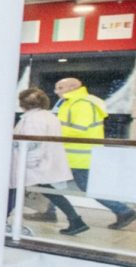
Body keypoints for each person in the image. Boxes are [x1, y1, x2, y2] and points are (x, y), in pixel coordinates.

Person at [53, 77, 136, 230]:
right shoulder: (73, 102)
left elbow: (79, 130)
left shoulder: (82, 104)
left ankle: (123, 210)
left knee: (87, 186)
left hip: (80, 156)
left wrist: (54, 130)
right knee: (51, 181)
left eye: (60, 87)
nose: (56, 91)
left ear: (72, 87)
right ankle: (48, 210)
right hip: (74, 154)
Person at [11, 87, 87, 235]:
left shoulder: (33, 120)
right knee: (50, 192)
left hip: (34, 165)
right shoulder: (48, 116)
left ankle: (3, 219)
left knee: (14, 190)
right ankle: (75, 220)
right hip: (43, 163)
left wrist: (27, 165)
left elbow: (33, 144)